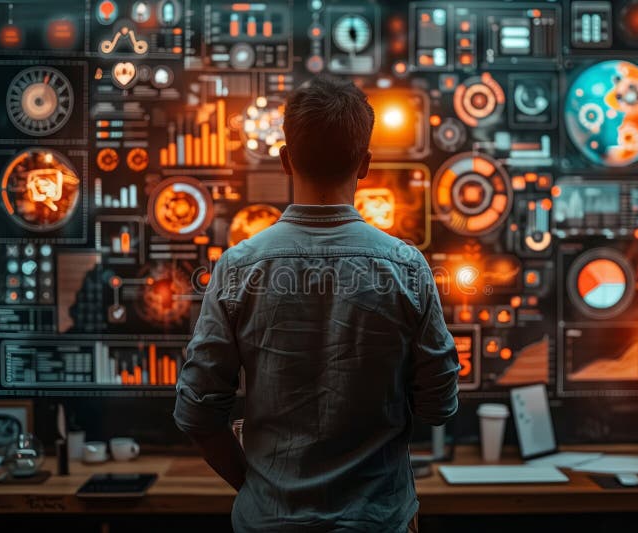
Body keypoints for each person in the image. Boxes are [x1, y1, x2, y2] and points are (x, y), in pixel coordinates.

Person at [174, 75, 460, 532]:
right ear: (364, 164)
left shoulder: (237, 268)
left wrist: (258, 489)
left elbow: (197, 412)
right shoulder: (407, 267)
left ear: (285, 161)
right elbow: (439, 406)